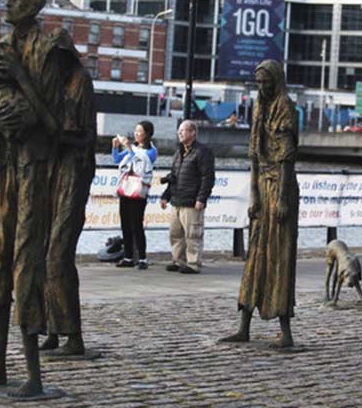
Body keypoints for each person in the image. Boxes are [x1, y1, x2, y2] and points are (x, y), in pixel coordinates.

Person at [0, 0, 65, 398]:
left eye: (19, 1)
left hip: (33, 170)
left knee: (26, 263)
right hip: (2, 166)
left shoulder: (47, 52)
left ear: (34, 8)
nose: (11, 4)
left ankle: (34, 377)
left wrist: (21, 77)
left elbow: (55, 125)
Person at [220, 59, 299, 348]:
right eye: (259, 83)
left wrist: (281, 199)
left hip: (281, 188)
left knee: (280, 258)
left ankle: (285, 330)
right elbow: (254, 156)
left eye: (267, 83)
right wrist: (253, 195)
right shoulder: (258, 107)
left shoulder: (285, 108)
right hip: (263, 189)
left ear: (276, 81)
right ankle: (244, 323)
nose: (262, 88)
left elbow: (286, 160)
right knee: (255, 256)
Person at [40, 47, 96, 356]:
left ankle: (73, 336)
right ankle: (53, 329)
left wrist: (55, 136)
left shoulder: (81, 82)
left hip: (73, 179)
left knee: (57, 258)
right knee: (45, 255)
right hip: (54, 177)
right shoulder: (58, 84)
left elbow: (85, 137)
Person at [162, 120, 215, 274]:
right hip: (177, 200)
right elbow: (173, 176)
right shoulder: (179, 152)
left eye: (183, 130)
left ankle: (193, 263)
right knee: (175, 233)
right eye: (179, 130)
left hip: (192, 201)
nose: (180, 133)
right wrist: (166, 195)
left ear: (193, 133)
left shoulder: (202, 152)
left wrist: (201, 198)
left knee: (193, 234)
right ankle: (178, 260)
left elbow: (208, 178)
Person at [113, 121, 157, 269]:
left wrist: (128, 147)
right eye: (135, 131)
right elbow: (117, 159)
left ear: (147, 134)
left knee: (136, 224)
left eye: (140, 132)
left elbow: (141, 164)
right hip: (126, 189)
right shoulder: (133, 148)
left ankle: (142, 257)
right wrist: (115, 146)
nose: (136, 134)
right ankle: (128, 256)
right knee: (125, 222)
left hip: (138, 190)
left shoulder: (151, 151)